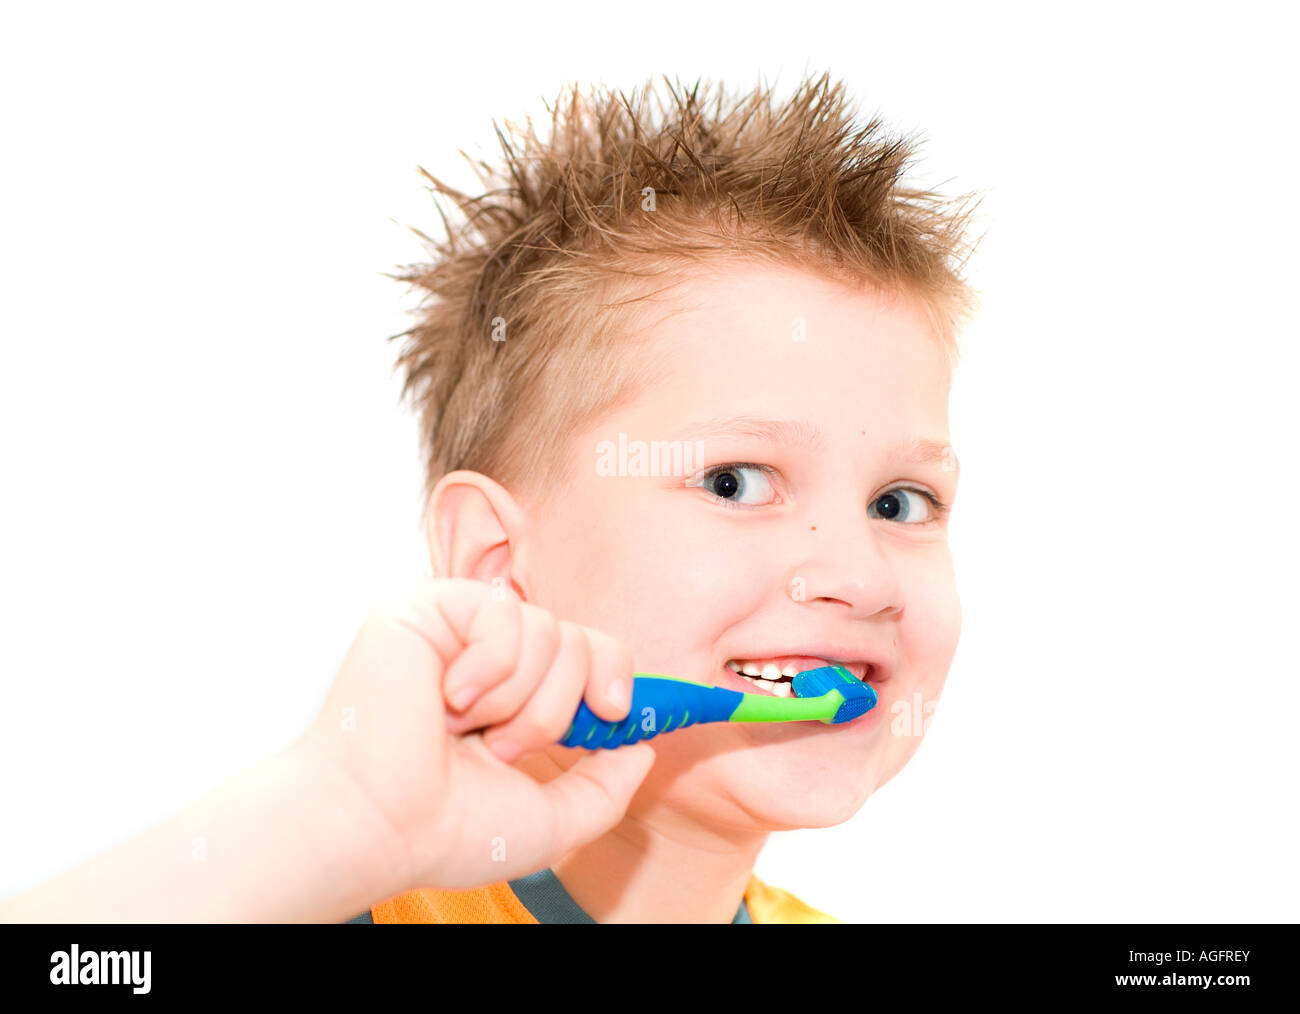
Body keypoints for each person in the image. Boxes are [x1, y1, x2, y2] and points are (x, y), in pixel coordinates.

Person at [0, 71, 982, 923]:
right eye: (735, 482)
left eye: (899, 502)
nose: (858, 576)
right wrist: (339, 815)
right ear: (497, 566)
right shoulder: (325, 891)